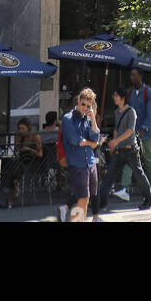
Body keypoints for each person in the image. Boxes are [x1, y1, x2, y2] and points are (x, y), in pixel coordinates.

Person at [99, 85, 151, 212]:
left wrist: (116, 141)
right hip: (119, 150)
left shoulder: (131, 112)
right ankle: (102, 202)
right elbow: (116, 129)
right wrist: (114, 144)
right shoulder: (116, 112)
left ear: (122, 98)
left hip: (130, 150)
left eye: (116, 95)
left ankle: (149, 198)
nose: (114, 98)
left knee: (139, 174)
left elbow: (130, 130)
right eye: (113, 95)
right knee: (109, 176)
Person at [59, 87, 101, 222]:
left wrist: (93, 117)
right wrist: (90, 143)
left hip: (90, 162)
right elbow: (75, 140)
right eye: (83, 104)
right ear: (78, 101)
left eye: (88, 106)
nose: (85, 107)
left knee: (86, 200)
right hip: (77, 164)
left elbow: (95, 138)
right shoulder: (67, 118)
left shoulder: (87, 119)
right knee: (82, 199)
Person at [119, 67, 151, 201]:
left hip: (147, 133)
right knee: (131, 159)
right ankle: (124, 187)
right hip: (133, 132)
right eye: (130, 75)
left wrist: (143, 129)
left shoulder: (148, 92)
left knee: (148, 160)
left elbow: (150, 113)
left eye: (134, 75)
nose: (131, 77)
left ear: (140, 76)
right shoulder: (130, 92)